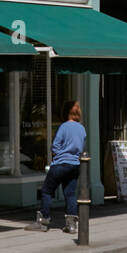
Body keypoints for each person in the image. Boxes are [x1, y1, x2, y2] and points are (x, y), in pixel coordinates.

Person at [27, 100, 85, 233]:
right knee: (70, 194)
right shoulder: (82, 128)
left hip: (60, 164)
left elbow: (55, 146)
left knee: (47, 191)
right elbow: (81, 147)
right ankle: (71, 225)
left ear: (65, 112)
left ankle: (43, 220)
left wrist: (57, 153)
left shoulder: (64, 127)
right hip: (75, 165)